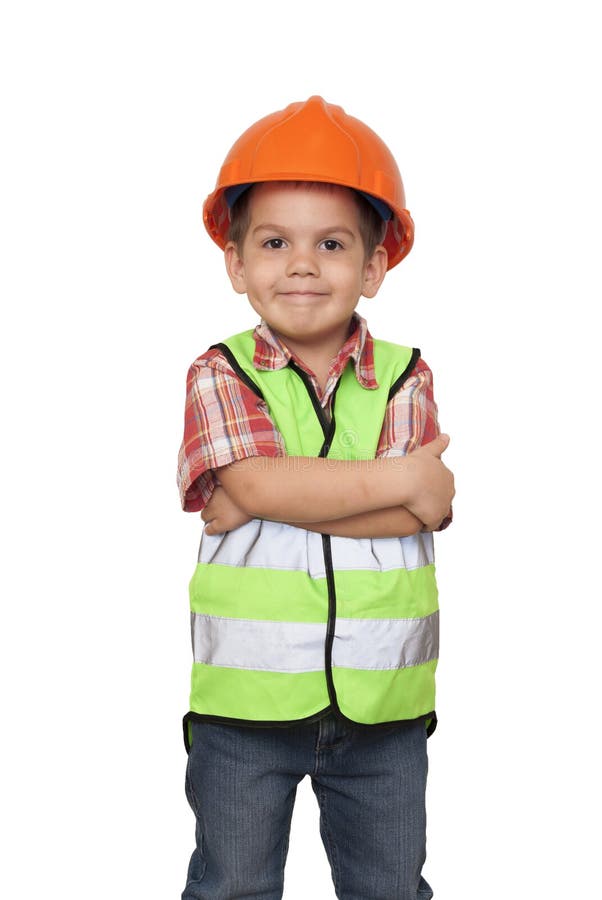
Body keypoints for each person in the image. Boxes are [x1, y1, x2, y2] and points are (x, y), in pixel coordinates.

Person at [177, 95, 455, 900]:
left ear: (373, 265)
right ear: (236, 263)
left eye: (331, 244)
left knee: (390, 888)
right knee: (231, 887)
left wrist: (272, 496)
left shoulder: (407, 374)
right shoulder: (218, 373)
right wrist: (396, 479)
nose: (302, 264)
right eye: (274, 242)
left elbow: (423, 511)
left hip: (386, 708)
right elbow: (259, 481)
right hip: (243, 708)